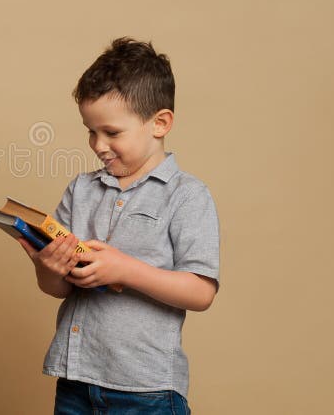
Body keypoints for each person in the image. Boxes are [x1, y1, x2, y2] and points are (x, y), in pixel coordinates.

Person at [17, 37, 220, 414]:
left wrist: (125, 269)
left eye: (112, 133)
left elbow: (201, 291)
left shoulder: (187, 195)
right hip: (76, 380)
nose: (97, 144)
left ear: (159, 123)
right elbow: (57, 289)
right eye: (90, 131)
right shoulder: (82, 189)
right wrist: (46, 264)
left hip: (147, 389)